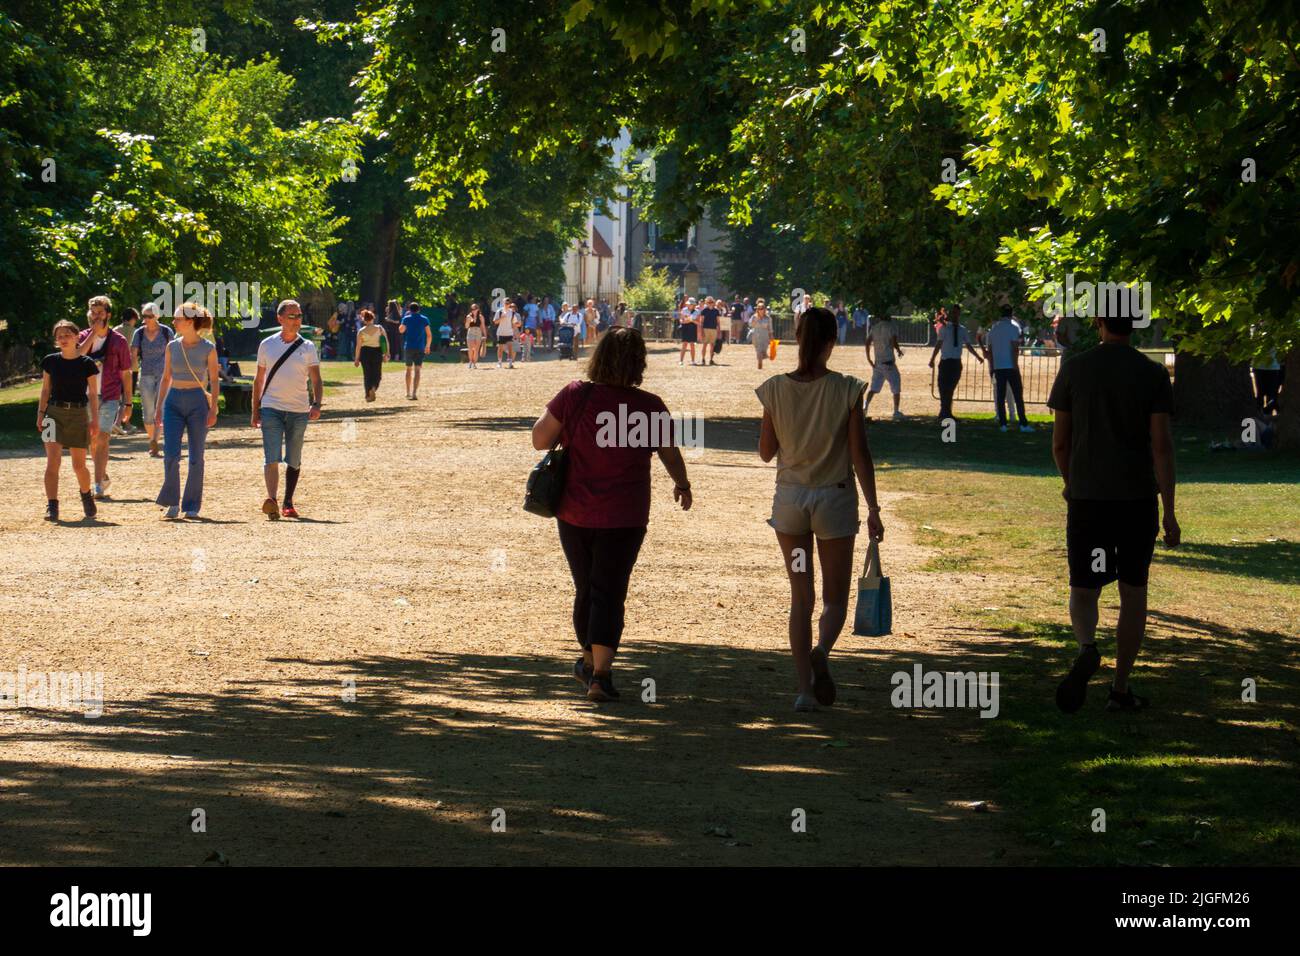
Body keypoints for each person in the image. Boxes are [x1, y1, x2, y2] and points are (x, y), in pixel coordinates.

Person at [531, 327, 693, 702]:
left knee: (586, 587)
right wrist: (682, 484)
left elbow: (540, 439)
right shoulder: (650, 406)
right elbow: (669, 452)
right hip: (626, 514)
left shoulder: (576, 394)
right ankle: (600, 675)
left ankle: (590, 666)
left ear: (598, 356)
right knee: (609, 590)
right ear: (639, 363)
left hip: (575, 510)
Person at [1048, 306, 1179, 714]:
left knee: (1084, 588)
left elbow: (1059, 443)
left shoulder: (1076, 369)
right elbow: (1161, 447)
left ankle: (1088, 646)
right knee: (1132, 592)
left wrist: (1072, 483)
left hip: (1088, 499)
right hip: (1137, 500)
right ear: (1134, 326)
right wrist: (1169, 511)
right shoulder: (1153, 374)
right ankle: (1120, 688)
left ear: (1099, 324)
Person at [756, 307, 884, 712]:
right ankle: (823, 650)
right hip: (834, 501)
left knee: (800, 597)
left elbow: (764, 453)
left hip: (791, 503)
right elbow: (860, 454)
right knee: (834, 599)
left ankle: (804, 691)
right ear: (833, 342)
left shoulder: (774, 388)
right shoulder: (847, 389)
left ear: (797, 338)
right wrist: (875, 507)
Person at [252, 300, 323, 520]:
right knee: (271, 456)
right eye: (292, 316)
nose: (297, 320)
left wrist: (317, 403)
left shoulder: (308, 347)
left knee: (294, 457)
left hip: (298, 409)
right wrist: (255, 409)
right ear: (280, 318)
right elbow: (259, 379)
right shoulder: (267, 344)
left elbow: (316, 379)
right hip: (271, 407)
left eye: (299, 315)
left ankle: (288, 502)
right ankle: (272, 500)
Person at [154, 302, 220, 519]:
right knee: (171, 454)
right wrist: (158, 407)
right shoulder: (172, 346)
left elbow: (213, 379)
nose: (173, 322)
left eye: (177, 319)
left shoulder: (208, 348)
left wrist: (213, 408)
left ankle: (191, 505)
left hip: (197, 402)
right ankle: (172, 502)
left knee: (196, 456)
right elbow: (165, 378)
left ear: (190, 322)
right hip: (173, 401)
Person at [37, 320, 101, 521]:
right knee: (52, 462)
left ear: (76, 337)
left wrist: (94, 420)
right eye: (60, 336)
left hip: (78, 415)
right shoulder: (50, 361)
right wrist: (40, 414)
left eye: (67, 335)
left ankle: (86, 495)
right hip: (52, 414)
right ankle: (52, 506)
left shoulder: (87, 364)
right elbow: (45, 389)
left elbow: (92, 394)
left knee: (79, 465)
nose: (63, 339)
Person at [75, 295, 132, 499]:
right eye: (93, 312)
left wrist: (128, 402)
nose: (96, 316)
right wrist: (92, 334)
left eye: (100, 312)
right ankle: (102, 473)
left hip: (109, 395)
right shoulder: (81, 337)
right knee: (92, 439)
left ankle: (97, 484)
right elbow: (76, 357)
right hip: (86, 396)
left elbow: (126, 372)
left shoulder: (119, 341)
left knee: (102, 437)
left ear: (108, 314)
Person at [928, 304, 983, 421]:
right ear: (950, 314)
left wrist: (978, 357)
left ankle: (946, 413)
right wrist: (932, 359)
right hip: (945, 362)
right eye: (953, 313)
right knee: (943, 388)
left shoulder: (962, 330)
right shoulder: (944, 329)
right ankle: (944, 412)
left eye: (957, 313)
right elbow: (939, 344)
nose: (955, 315)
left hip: (956, 363)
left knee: (950, 388)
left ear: (959, 314)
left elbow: (968, 346)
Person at [132, 303, 174, 457]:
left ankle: (155, 441)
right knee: (148, 411)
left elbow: (174, 350)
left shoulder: (166, 331)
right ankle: (152, 439)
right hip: (146, 374)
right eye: (144, 316)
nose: (147, 319)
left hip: (165, 375)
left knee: (160, 408)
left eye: (150, 316)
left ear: (156, 316)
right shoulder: (139, 333)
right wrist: (132, 373)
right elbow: (133, 354)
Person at [989, 304, 1034, 432]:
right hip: (1010, 366)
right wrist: (1015, 365)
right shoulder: (1014, 327)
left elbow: (990, 351)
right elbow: (1015, 348)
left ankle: (1003, 424)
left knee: (1000, 396)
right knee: (1018, 396)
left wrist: (992, 367)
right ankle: (1023, 424)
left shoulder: (994, 329)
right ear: (1011, 313)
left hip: (998, 367)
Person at [864, 314, 905, 421]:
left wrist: (869, 359)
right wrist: (898, 350)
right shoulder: (891, 326)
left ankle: (865, 407)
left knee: (873, 388)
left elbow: (867, 342)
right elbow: (894, 341)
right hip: (888, 362)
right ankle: (896, 411)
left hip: (878, 363)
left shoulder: (875, 327)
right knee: (896, 385)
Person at [398, 301, 432, 399]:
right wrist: (428, 346)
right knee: (417, 370)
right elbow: (429, 335)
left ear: (409, 309)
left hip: (408, 346)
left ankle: (407, 392)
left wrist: (404, 318)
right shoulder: (424, 319)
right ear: (419, 309)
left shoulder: (406, 318)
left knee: (408, 369)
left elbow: (401, 330)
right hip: (420, 347)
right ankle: (414, 393)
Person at [354, 308, 388, 401]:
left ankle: (367, 395)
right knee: (377, 374)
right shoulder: (379, 328)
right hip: (377, 352)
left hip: (365, 352)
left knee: (367, 374)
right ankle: (373, 388)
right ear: (373, 318)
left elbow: (358, 346)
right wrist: (386, 354)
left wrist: (356, 358)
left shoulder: (361, 331)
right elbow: (385, 342)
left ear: (364, 320)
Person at [495, 297, 521, 368]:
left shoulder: (512, 312)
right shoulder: (499, 311)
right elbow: (495, 322)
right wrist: (501, 318)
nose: (507, 304)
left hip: (509, 332)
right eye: (506, 303)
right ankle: (499, 362)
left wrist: (517, 324)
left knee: (510, 348)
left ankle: (510, 363)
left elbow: (516, 323)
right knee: (500, 348)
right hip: (500, 332)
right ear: (503, 303)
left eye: (508, 303)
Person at [751, 298, 773, 369]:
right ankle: (760, 365)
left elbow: (770, 329)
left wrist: (771, 337)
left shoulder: (768, 318)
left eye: (762, 308)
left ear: (764, 309)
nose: (760, 310)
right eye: (759, 308)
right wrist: (756, 319)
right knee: (759, 351)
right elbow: (751, 325)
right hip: (756, 335)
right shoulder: (754, 317)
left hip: (765, 336)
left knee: (763, 351)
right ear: (757, 309)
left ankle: (764, 355)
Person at [464, 302, 487, 368]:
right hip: (471, 332)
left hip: (478, 332)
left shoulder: (480, 316)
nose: (473, 310)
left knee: (476, 349)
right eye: (472, 309)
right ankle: (470, 361)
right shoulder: (468, 316)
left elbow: (483, 326)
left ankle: (474, 363)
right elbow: (466, 326)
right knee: (470, 349)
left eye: (475, 309)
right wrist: (468, 321)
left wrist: (485, 335)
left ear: (478, 309)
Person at [677, 297, 699, 365]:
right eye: (688, 304)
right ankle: (681, 361)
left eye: (690, 304)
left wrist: (691, 320)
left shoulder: (697, 311)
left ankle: (693, 361)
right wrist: (684, 321)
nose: (689, 305)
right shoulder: (684, 310)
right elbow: (681, 320)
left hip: (693, 329)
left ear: (693, 305)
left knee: (692, 345)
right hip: (685, 329)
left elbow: (698, 323)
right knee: (684, 344)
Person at [699, 295, 721, 365]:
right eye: (708, 302)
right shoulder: (704, 311)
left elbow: (718, 322)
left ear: (713, 302)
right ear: (706, 302)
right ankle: (703, 359)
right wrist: (701, 331)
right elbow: (701, 322)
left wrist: (719, 331)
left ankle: (711, 360)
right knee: (704, 345)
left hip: (713, 329)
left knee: (712, 345)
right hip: (705, 329)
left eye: (711, 302)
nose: (710, 303)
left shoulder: (716, 311)